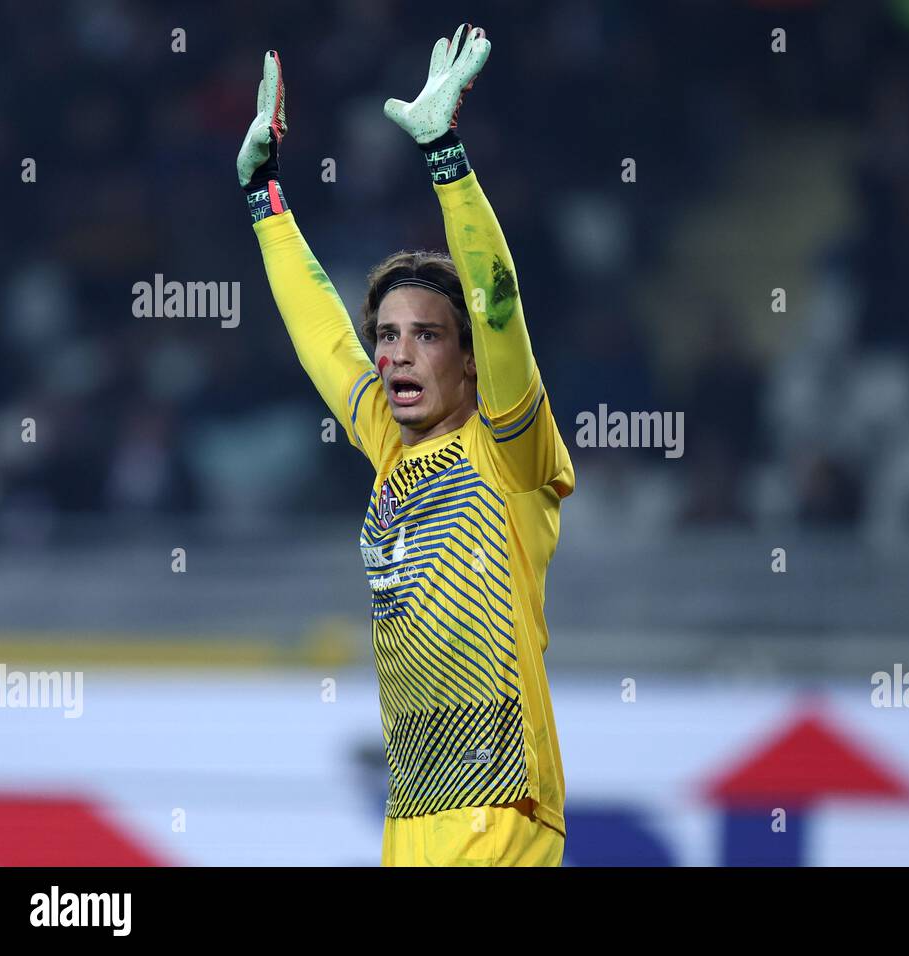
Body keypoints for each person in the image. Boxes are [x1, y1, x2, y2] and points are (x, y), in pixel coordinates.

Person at [237, 25, 573, 866]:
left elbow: (499, 306)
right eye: (386, 336)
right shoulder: (392, 449)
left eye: (424, 336)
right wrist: (263, 200)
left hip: (501, 801)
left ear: (467, 361)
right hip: (414, 808)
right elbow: (324, 339)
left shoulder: (512, 452)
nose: (394, 355)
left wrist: (445, 157)